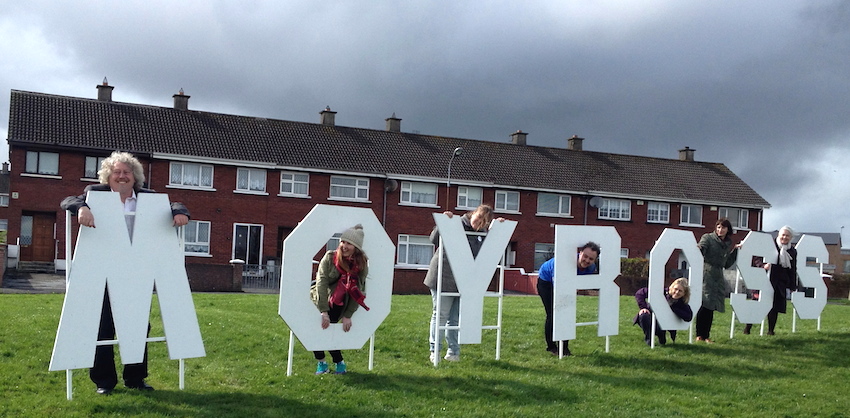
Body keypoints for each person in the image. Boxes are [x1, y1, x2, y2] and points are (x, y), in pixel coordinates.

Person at [60, 151, 190, 395]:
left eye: (127, 172)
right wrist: (82, 207)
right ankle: (104, 383)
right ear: (108, 176)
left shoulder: (148, 197)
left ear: (135, 176)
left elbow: (174, 204)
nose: (122, 176)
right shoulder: (94, 194)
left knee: (140, 328)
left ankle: (136, 379)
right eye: (117, 172)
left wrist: (180, 212)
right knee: (104, 327)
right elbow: (67, 201)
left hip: (136, 272)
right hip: (104, 271)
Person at [424, 204, 504, 363]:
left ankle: (453, 352)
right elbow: (434, 240)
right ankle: (435, 351)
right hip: (443, 277)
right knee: (440, 315)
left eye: (485, 222)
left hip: (464, 280)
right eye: (479, 218)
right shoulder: (455, 223)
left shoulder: (481, 234)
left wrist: (498, 229)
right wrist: (443, 223)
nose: (480, 223)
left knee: (454, 319)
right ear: (473, 214)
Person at [311, 224, 370, 375]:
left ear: (356, 247)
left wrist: (348, 315)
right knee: (315, 331)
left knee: (328, 332)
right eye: (343, 241)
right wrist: (323, 310)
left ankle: (339, 364)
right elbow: (321, 282)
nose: (344, 246)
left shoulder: (361, 264)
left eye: (349, 243)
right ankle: (322, 363)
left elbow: (359, 291)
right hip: (321, 298)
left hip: (340, 303)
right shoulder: (330, 257)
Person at [536, 241, 601, 356]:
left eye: (591, 259)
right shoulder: (563, 262)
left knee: (566, 314)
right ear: (579, 253)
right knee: (553, 314)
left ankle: (565, 348)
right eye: (585, 256)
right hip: (546, 281)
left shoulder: (591, 268)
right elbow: (558, 285)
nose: (586, 260)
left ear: (594, 260)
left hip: (566, 284)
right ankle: (551, 347)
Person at [743, 226, 797, 336]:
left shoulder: (792, 251)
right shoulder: (769, 244)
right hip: (764, 278)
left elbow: (792, 268)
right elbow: (756, 258)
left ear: (791, 237)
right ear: (778, 235)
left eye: (787, 235)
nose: (784, 237)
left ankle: (771, 331)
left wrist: (792, 285)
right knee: (756, 305)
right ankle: (747, 329)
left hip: (780, 281)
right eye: (783, 234)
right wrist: (763, 265)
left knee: (774, 307)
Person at [695, 218, 740, 343]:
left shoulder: (728, 242)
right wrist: (699, 248)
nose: (720, 230)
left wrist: (736, 251)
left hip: (718, 276)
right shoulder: (707, 237)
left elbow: (726, 264)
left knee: (711, 306)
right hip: (706, 273)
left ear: (728, 229)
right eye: (718, 227)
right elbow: (701, 248)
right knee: (704, 304)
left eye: (723, 228)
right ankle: (699, 334)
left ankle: (706, 335)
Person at [633, 278, 693, 346]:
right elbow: (640, 293)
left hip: (665, 323)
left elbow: (688, 317)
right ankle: (649, 339)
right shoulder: (661, 292)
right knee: (643, 315)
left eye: (680, 291)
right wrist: (643, 307)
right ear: (671, 287)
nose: (676, 292)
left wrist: (674, 308)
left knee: (660, 326)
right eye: (675, 289)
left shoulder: (682, 303)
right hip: (651, 317)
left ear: (684, 294)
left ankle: (661, 335)